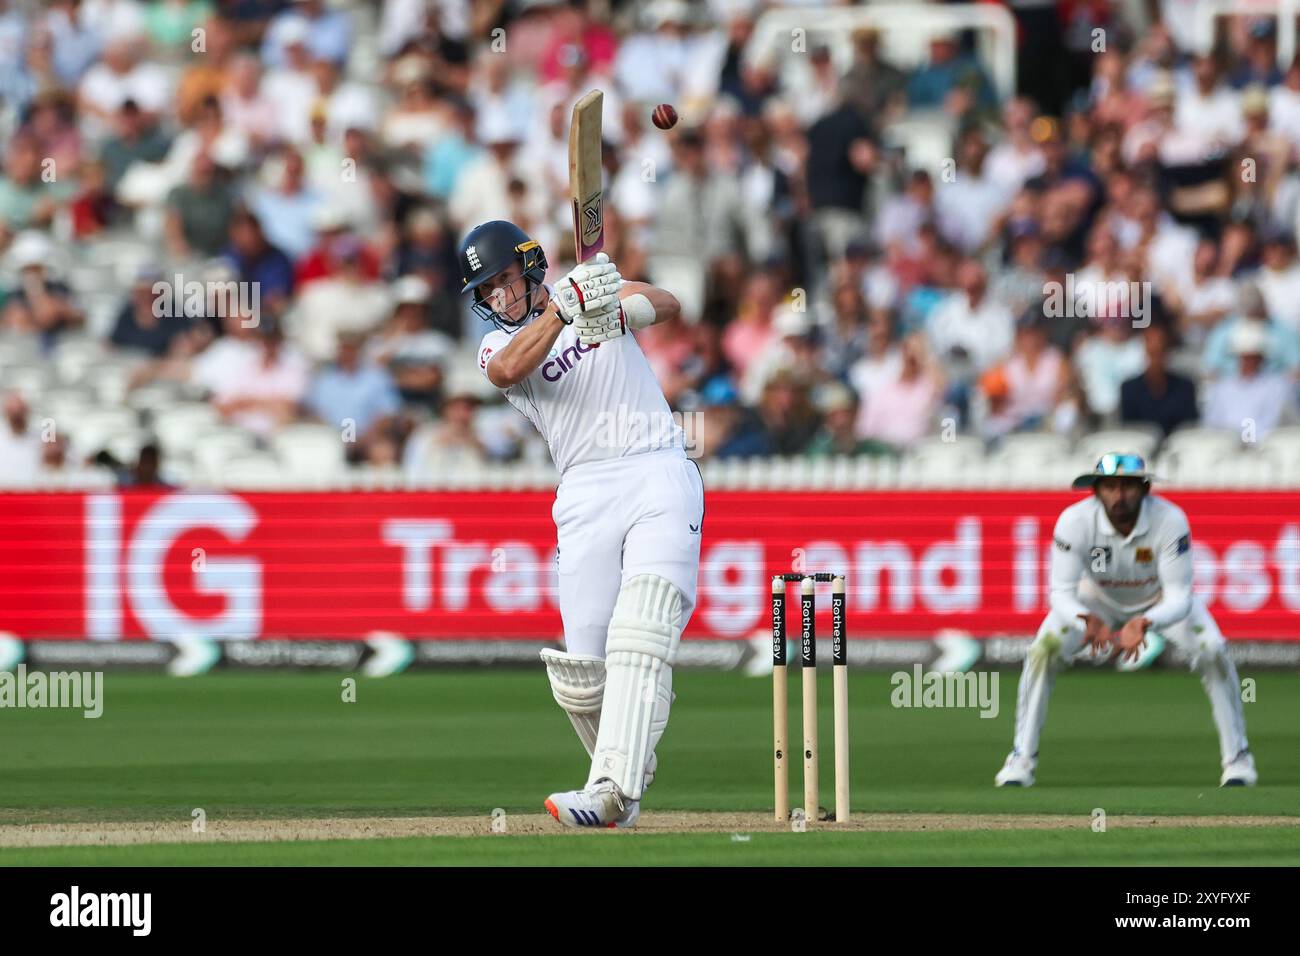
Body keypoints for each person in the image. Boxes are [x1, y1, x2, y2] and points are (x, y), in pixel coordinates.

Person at [463, 219, 702, 829]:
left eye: (503, 282)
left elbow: (670, 303)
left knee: (641, 631)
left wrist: (615, 307)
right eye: (486, 292)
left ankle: (607, 791)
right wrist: (564, 312)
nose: (497, 297)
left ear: (529, 265)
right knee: (580, 674)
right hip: (583, 491)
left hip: (655, 468)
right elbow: (508, 370)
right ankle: (624, 780)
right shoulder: (497, 346)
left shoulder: (588, 289)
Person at [995, 453, 1256, 788]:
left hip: (1158, 600)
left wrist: (1144, 622)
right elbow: (1060, 591)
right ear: (1096, 491)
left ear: (1145, 488)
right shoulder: (1074, 522)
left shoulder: (1170, 520)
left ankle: (1238, 760)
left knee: (1213, 649)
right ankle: (1020, 760)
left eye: (1129, 487)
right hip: (1096, 599)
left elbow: (1179, 596)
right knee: (1043, 650)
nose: (1119, 496)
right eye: (1111, 487)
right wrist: (1084, 620)